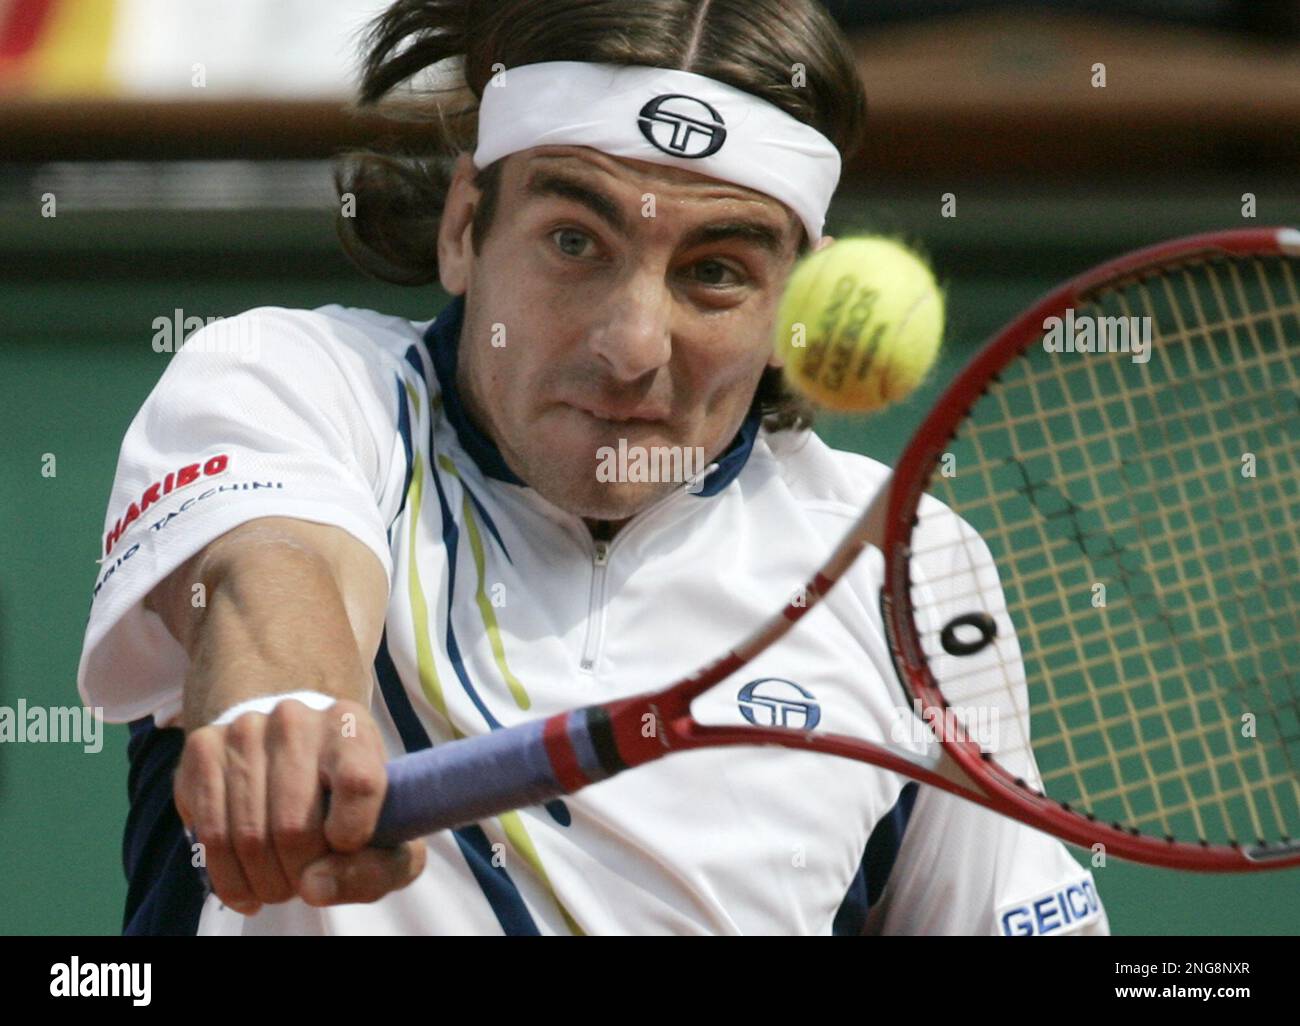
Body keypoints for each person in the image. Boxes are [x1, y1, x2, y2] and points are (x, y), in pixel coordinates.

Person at [78, 0, 1108, 936]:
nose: (630, 344)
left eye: (714, 273)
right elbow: (271, 571)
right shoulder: (292, 381)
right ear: (463, 229)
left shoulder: (905, 566)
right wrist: (285, 723)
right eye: (574, 240)